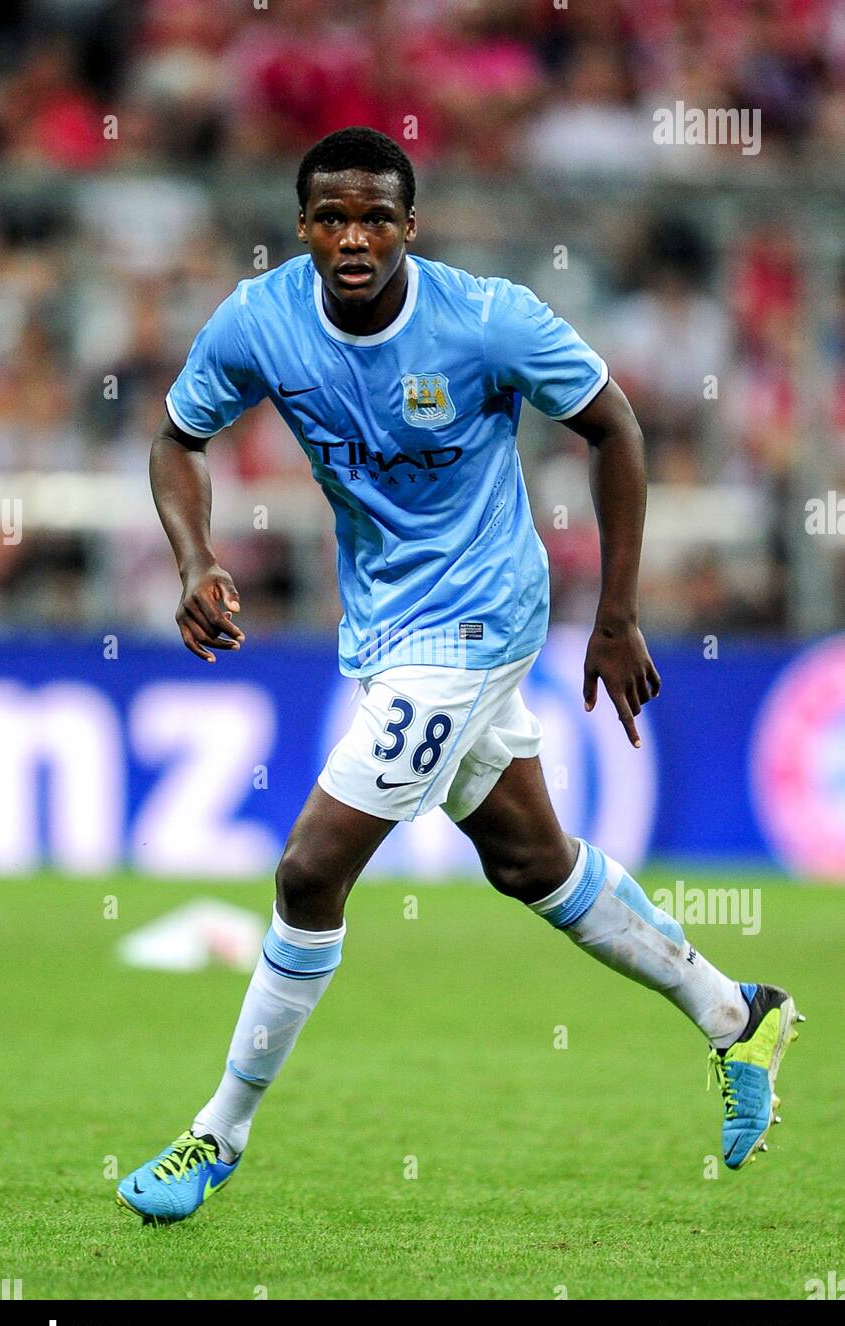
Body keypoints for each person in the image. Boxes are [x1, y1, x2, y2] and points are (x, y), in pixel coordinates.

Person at [116, 127, 801, 1224]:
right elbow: (175, 437)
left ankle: (217, 1134)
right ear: (300, 228)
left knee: (307, 871)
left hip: (481, 620)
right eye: (332, 218)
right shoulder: (260, 321)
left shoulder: (486, 319)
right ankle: (739, 1014)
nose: (354, 238)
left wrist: (615, 613)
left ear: (410, 226)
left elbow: (614, 426)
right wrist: (196, 560)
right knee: (531, 861)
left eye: (377, 218)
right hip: (386, 624)